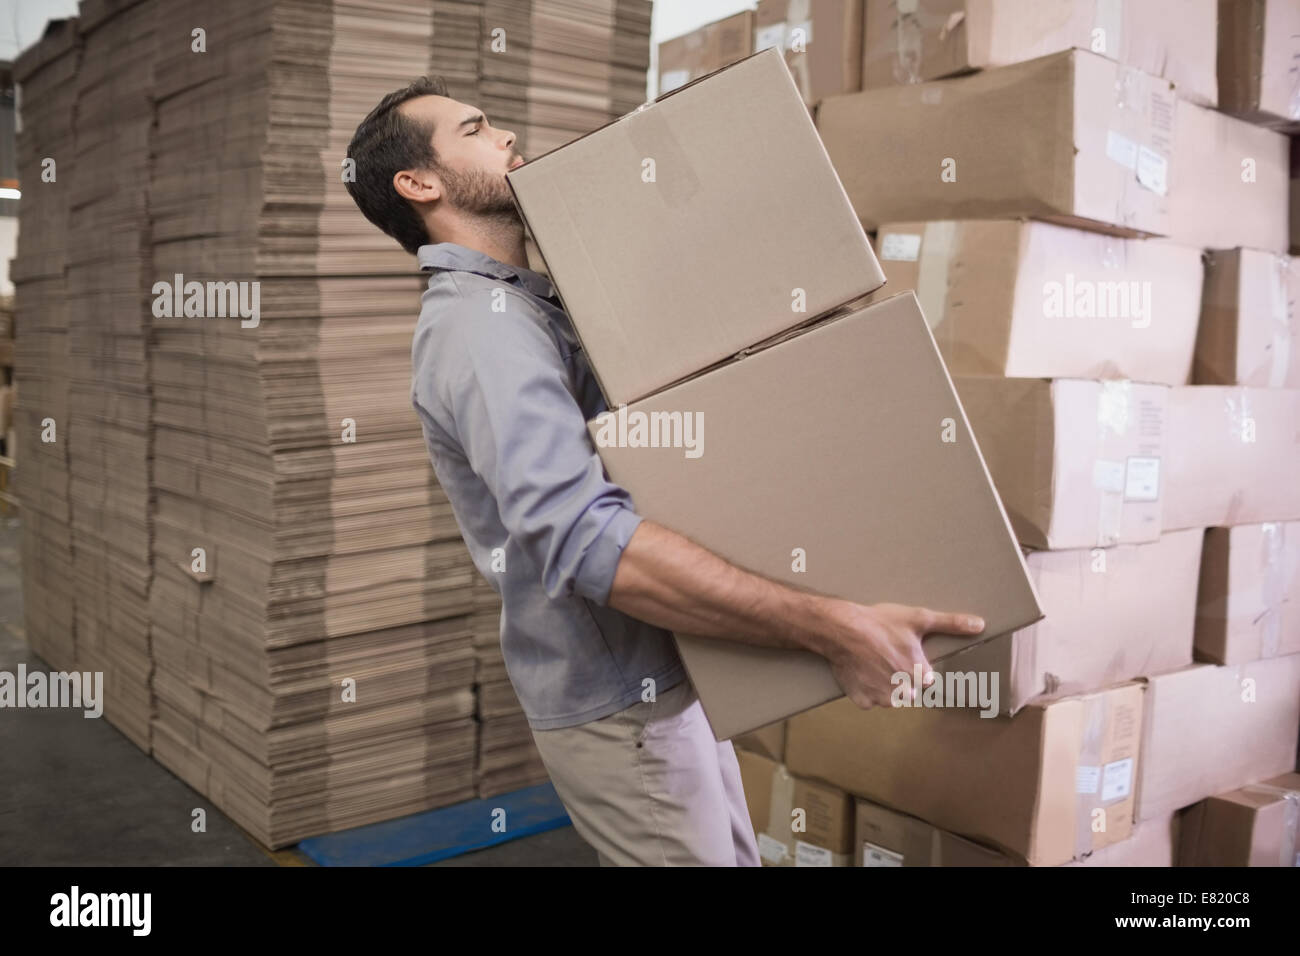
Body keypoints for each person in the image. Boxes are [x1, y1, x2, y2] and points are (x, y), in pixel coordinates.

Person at [343, 76, 986, 867]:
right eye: (476, 129)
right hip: (621, 712)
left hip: (667, 680)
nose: (507, 136)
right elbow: (586, 542)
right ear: (420, 183)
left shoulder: (536, 306)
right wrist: (835, 627)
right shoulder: (481, 330)